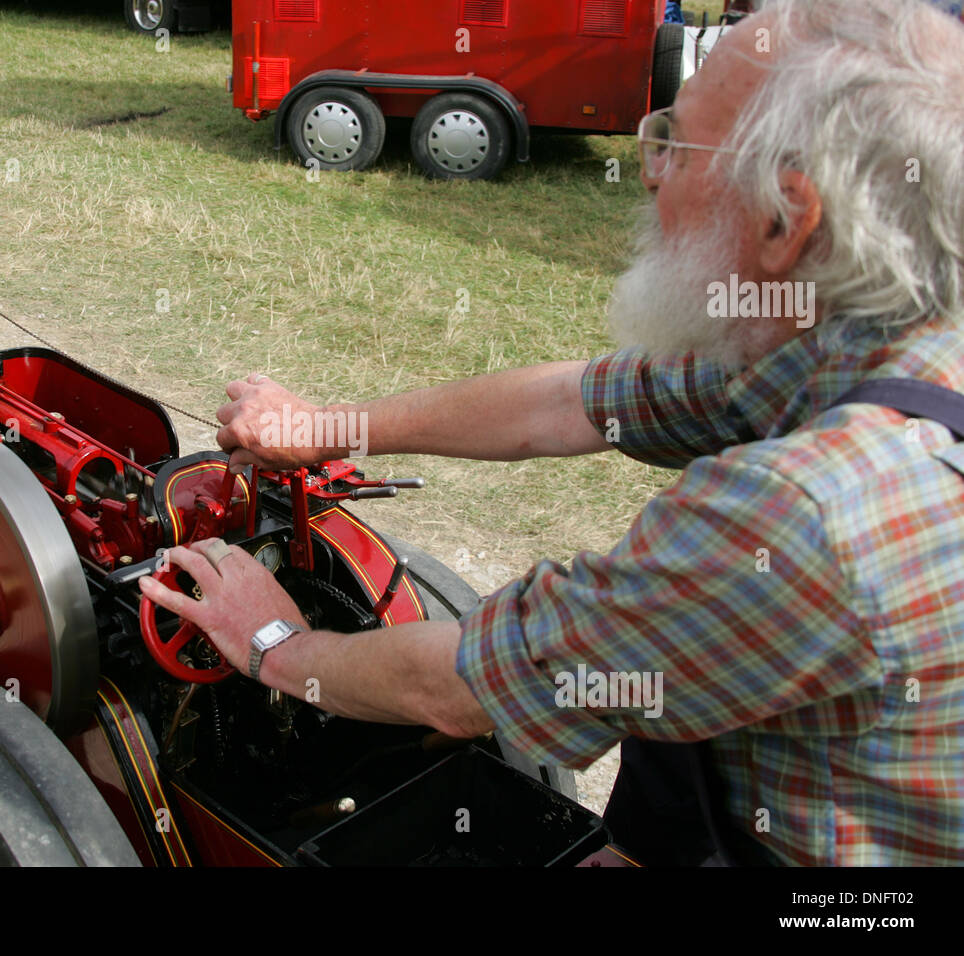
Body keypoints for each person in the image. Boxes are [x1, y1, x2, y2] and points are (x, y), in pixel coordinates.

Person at [140, 0, 964, 865]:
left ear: (784, 221)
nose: (649, 173)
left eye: (672, 144)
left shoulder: (802, 515)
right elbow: (570, 404)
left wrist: (277, 645)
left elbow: (463, 690)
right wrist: (327, 426)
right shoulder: (850, 339)